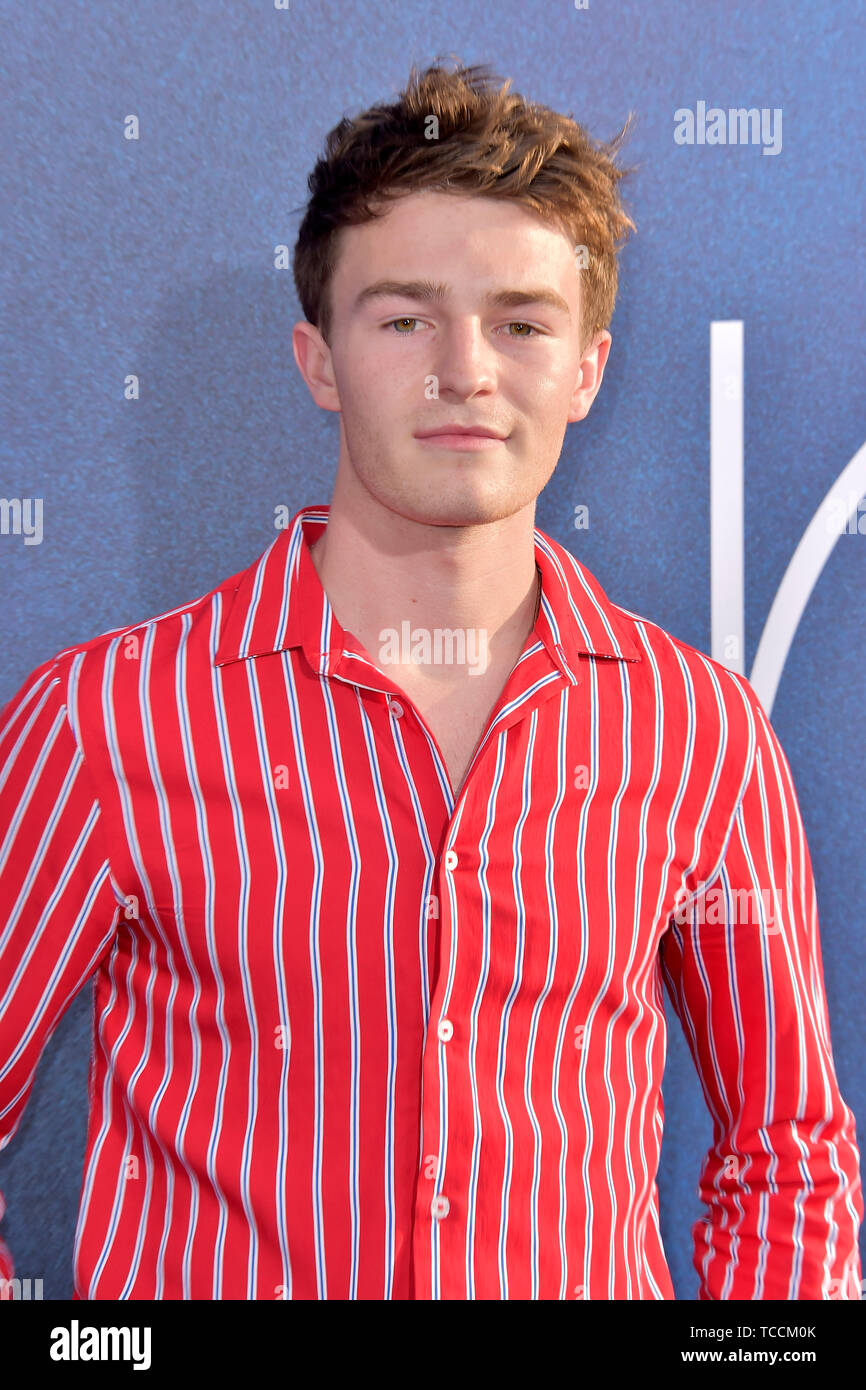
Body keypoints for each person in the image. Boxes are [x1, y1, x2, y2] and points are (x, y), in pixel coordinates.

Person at [0, 58, 861, 1301]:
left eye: (519, 321)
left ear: (585, 369)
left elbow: (787, 1151)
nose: (464, 369)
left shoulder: (695, 735)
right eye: (404, 318)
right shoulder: (107, 723)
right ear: (317, 358)